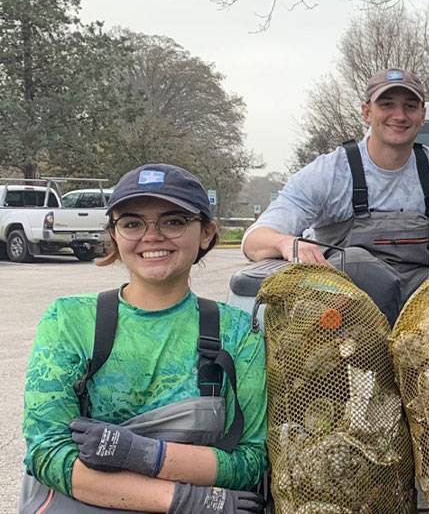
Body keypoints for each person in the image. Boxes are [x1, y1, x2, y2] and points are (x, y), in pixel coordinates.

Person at [22, 164, 267, 513]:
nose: (151, 236)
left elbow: (251, 459)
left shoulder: (239, 333)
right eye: (132, 223)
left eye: (173, 221)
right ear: (114, 233)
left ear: (206, 233)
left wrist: (145, 454)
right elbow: (47, 453)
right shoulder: (69, 320)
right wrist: (182, 498)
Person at [242, 68, 429, 323]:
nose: (400, 115)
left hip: (424, 301)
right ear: (367, 112)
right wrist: (286, 243)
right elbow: (253, 240)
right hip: (345, 321)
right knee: (361, 266)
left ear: (422, 116)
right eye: (387, 104)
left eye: (410, 106)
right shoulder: (329, 172)